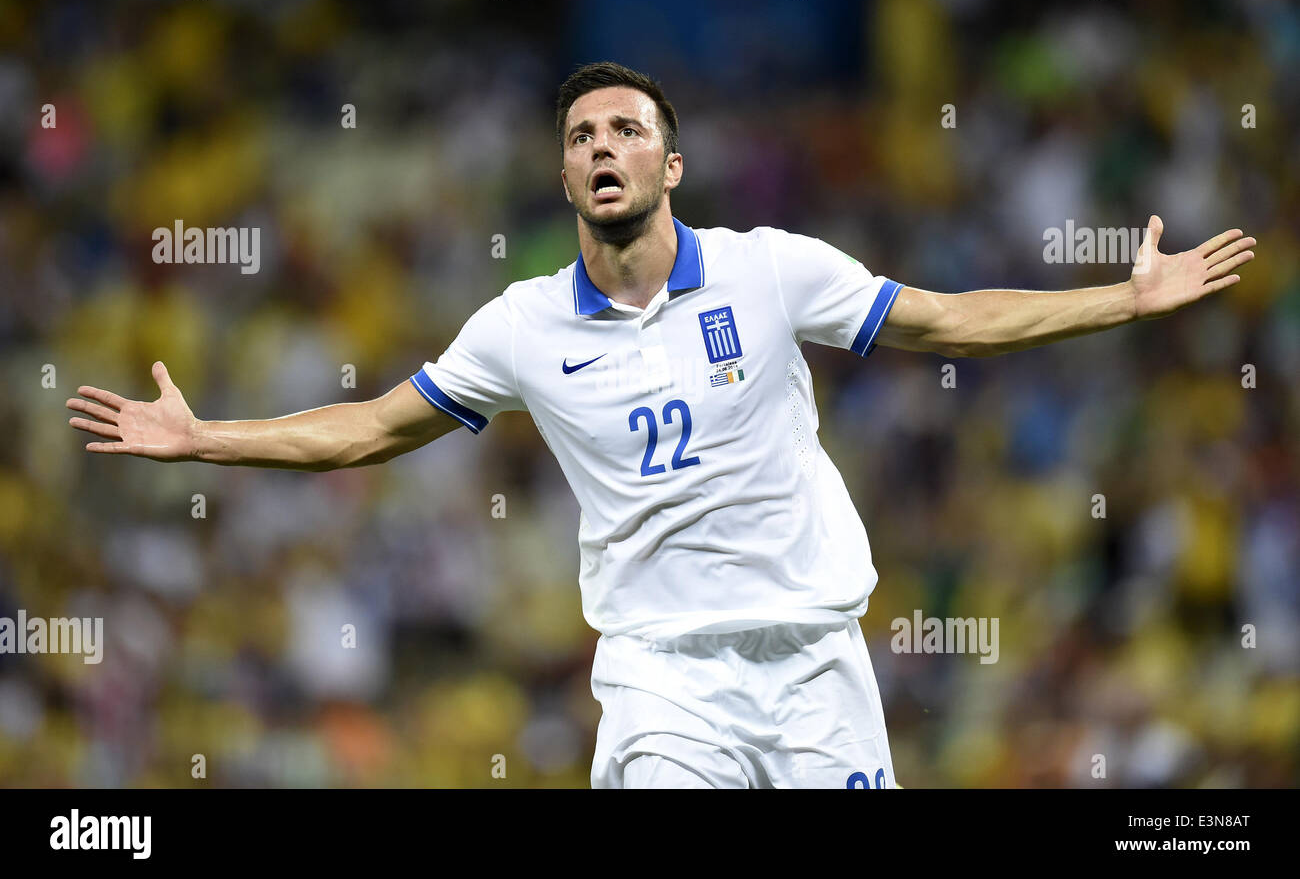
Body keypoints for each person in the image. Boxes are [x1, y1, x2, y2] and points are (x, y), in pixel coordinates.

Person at [67, 61, 1256, 788]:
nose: (602, 146)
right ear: (564, 176)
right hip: (662, 681)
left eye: (626, 129)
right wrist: (203, 436)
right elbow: (371, 429)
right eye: (582, 135)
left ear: (672, 163)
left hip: (813, 663)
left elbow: (948, 320)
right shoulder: (522, 326)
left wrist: (1124, 296)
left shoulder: (771, 270)